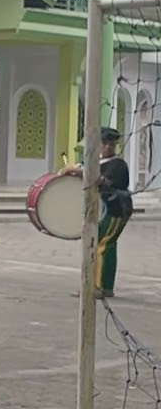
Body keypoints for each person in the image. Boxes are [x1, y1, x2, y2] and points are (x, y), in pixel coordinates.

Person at [62, 127, 132, 298]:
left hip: (116, 210)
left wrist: (80, 171)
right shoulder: (94, 162)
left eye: (112, 144)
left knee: (101, 245)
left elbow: (102, 181)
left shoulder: (118, 165)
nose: (108, 147)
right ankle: (106, 286)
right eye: (105, 143)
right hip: (103, 210)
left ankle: (95, 287)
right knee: (108, 246)